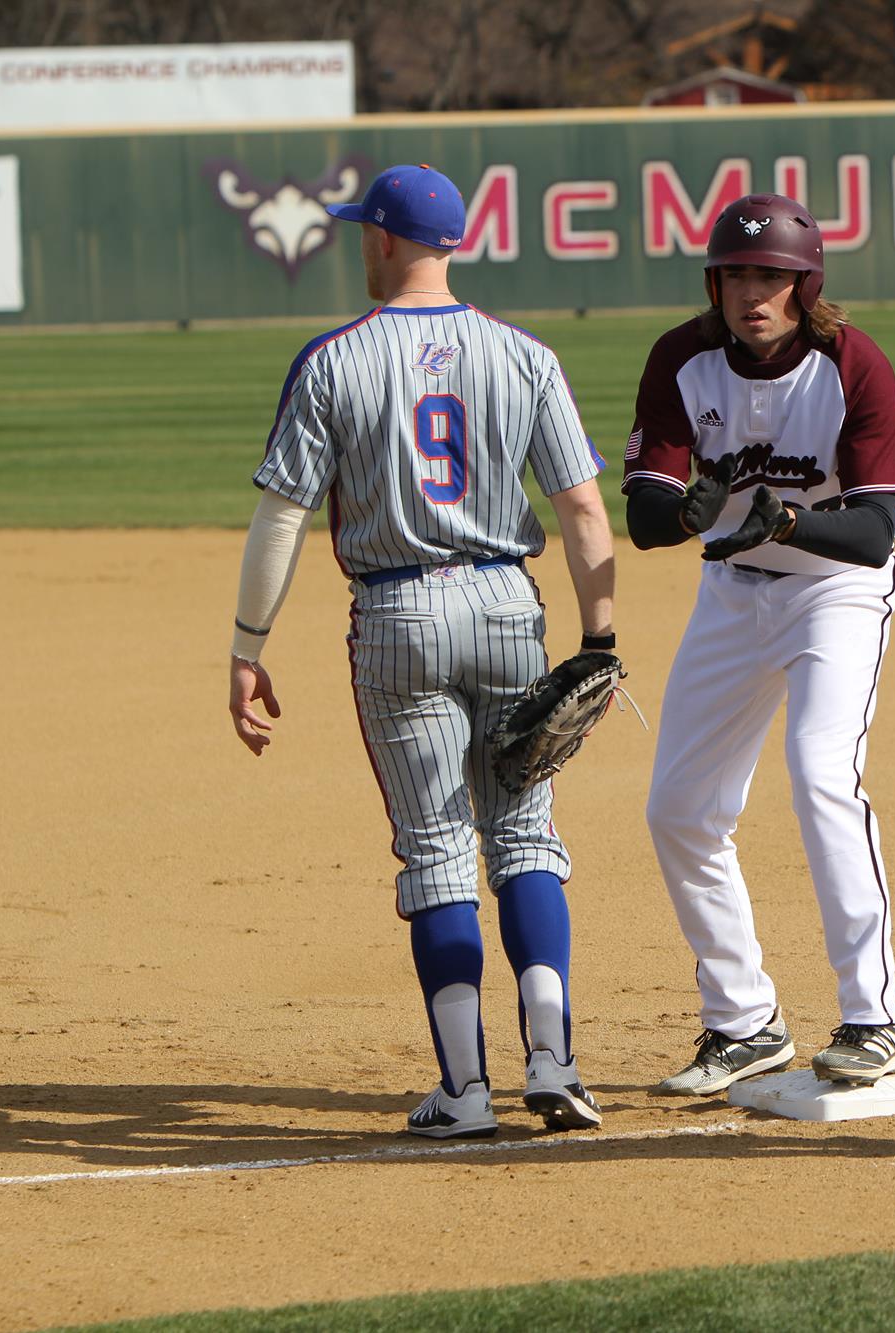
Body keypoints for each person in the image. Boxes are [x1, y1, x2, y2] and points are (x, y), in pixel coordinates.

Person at [225, 164, 618, 1139]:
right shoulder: (523, 355)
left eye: (366, 229)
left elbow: (282, 517)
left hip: (397, 615)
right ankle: (554, 1063)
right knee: (525, 837)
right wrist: (600, 638)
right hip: (505, 607)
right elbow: (578, 506)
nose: (362, 242)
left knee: (438, 853)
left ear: (388, 240)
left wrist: (247, 645)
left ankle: (466, 1092)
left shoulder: (332, 360)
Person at [623, 193, 895, 1096]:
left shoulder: (850, 362)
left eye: (773, 277)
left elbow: (875, 532)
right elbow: (645, 518)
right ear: (714, 282)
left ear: (806, 285)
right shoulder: (682, 358)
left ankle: (873, 1017)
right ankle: (743, 1019)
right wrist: (685, 510)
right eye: (737, 275)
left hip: (837, 594)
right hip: (731, 593)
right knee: (679, 807)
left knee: (821, 771)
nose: (753, 292)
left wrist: (789, 520)